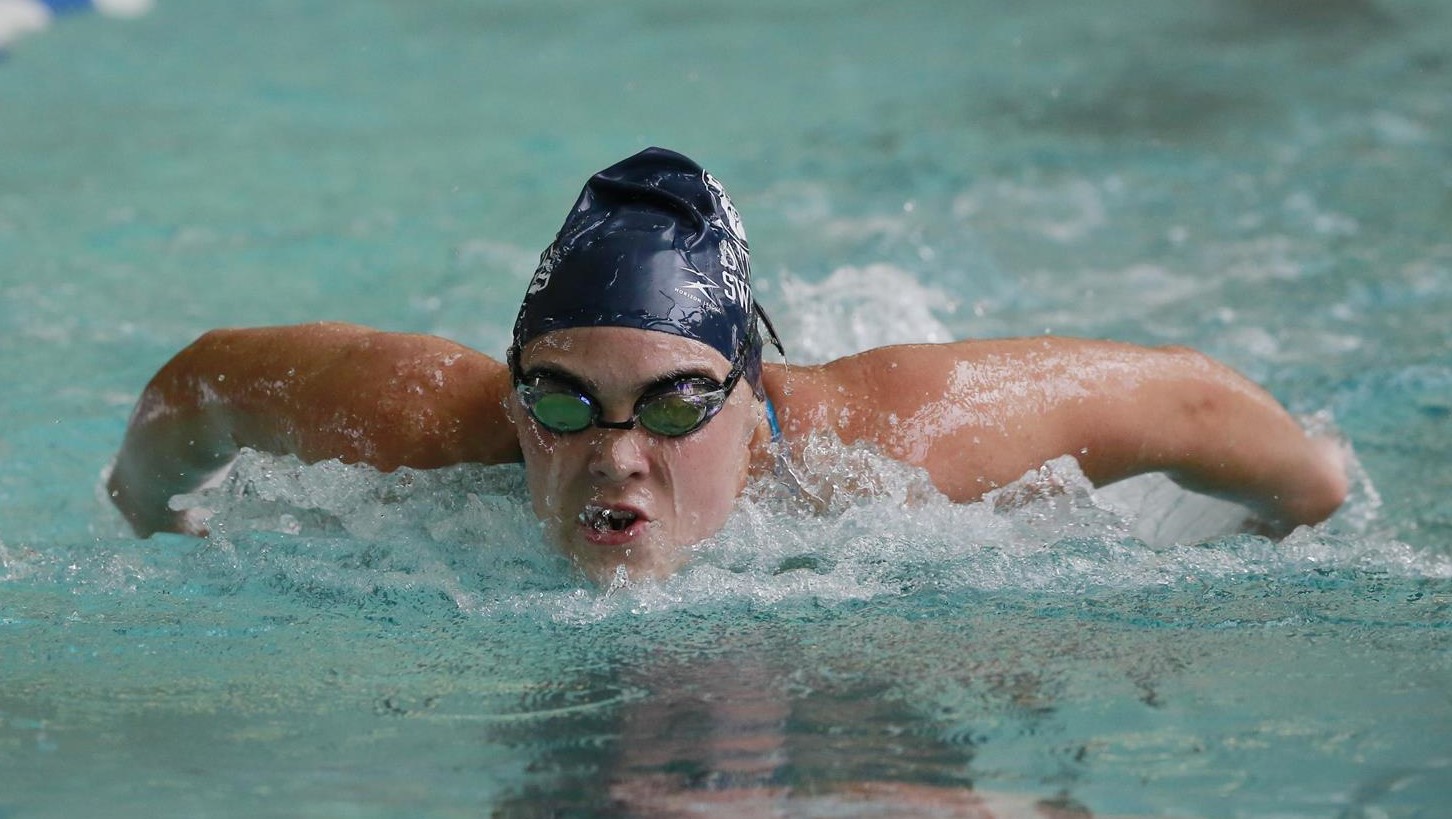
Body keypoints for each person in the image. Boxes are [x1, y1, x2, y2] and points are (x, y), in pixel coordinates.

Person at [107, 147, 1349, 582]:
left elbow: (1189, 398)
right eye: (561, 399)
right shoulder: (430, 425)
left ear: (751, 398)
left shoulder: (900, 447)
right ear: (512, 389)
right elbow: (205, 377)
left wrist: (1304, 510)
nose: (615, 453)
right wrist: (154, 520)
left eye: (676, 404)